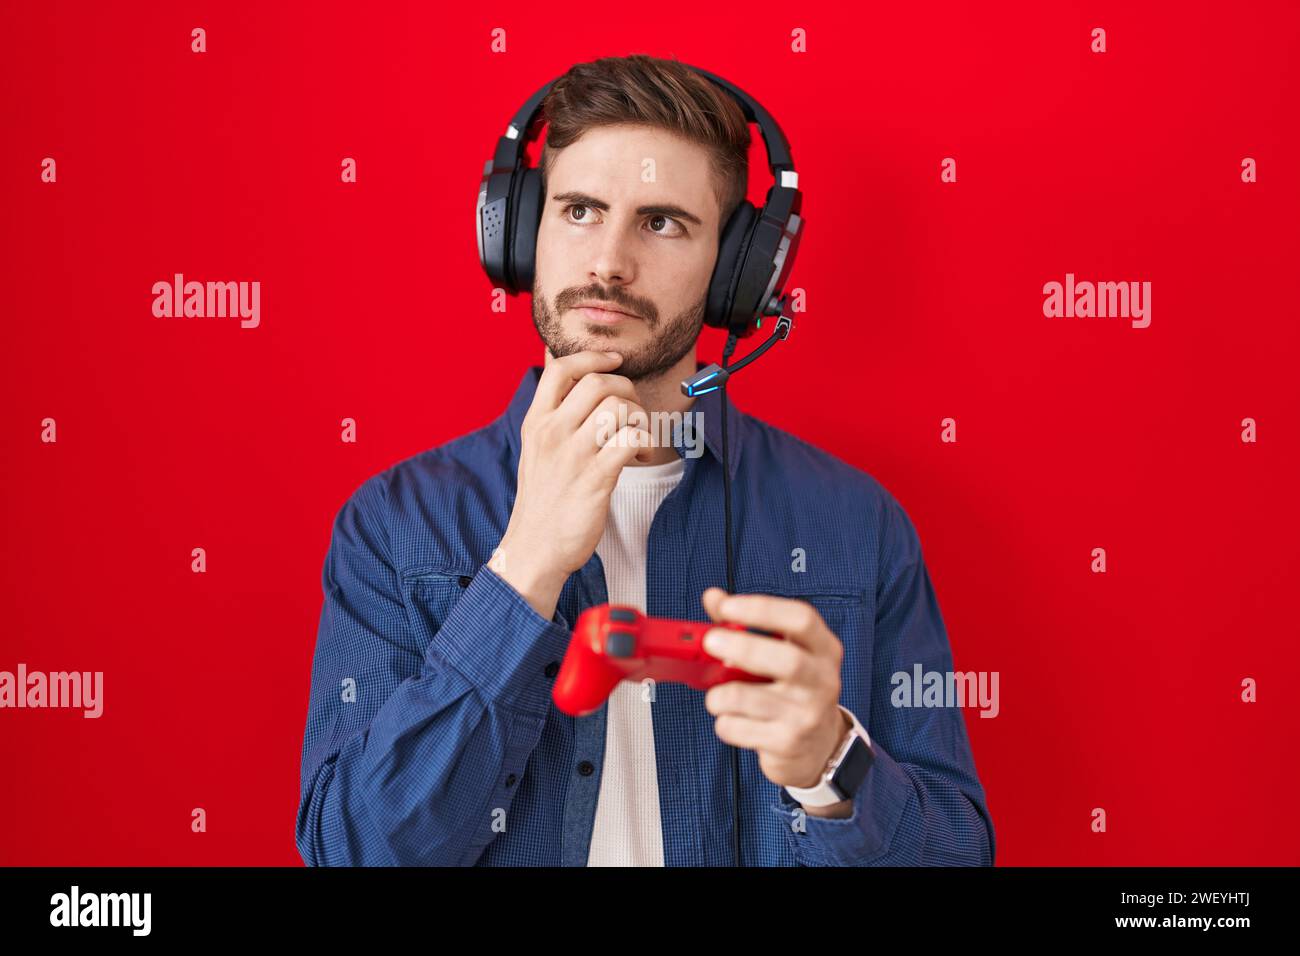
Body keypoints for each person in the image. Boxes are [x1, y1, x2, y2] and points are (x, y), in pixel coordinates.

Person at [295, 54, 994, 866]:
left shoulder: (855, 525)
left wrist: (829, 766)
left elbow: (956, 855)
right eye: (581, 210)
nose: (608, 263)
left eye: (662, 222)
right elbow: (352, 851)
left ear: (740, 272)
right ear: (521, 233)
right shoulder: (394, 524)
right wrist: (523, 571)